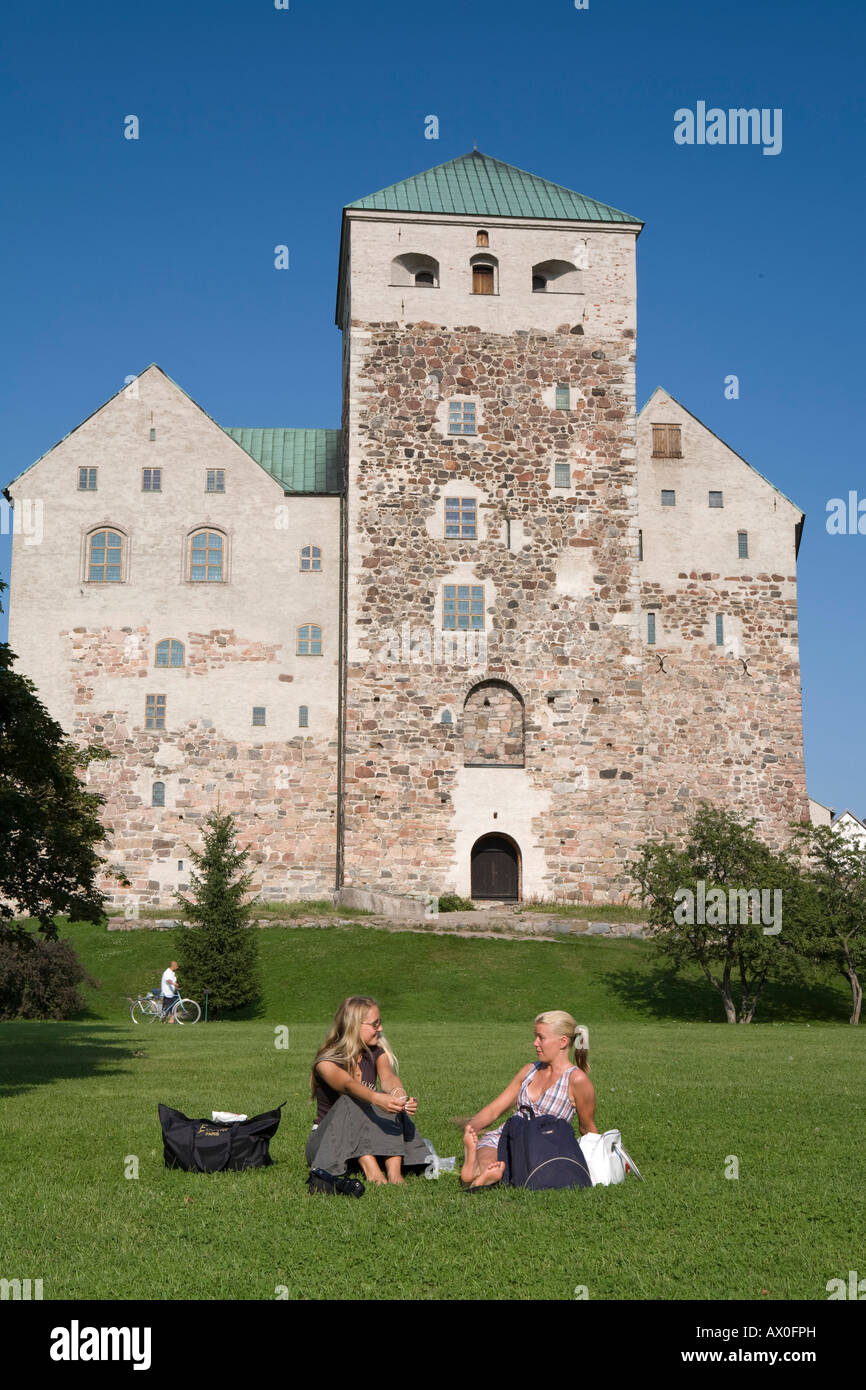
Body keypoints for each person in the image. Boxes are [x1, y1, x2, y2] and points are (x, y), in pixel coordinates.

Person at [460, 1010, 598, 1188]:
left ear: (563, 1041)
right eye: (535, 1037)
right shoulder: (530, 1070)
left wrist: (599, 1157)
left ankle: (481, 1176)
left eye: (541, 1038)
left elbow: (587, 1127)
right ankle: (477, 1170)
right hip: (509, 1136)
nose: (535, 1043)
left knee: (503, 1167)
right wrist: (471, 1128)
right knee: (487, 1155)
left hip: (542, 1146)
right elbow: (495, 1109)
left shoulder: (576, 1080)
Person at [306, 996, 432, 1185]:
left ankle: (394, 1172)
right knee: (353, 1098)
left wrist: (399, 1096)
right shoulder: (326, 1061)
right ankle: (372, 1170)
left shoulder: (375, 1053)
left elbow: (388, 1077)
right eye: (375, 1024)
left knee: (387, 1099)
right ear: (354, 1025)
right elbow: (348, 1085)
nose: (380, 1029)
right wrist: (377, 1098)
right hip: (327, 1142)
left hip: (362, 1141)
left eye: (379, 1023)